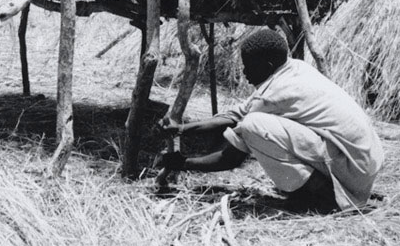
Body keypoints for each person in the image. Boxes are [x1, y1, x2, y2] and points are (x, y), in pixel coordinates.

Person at [157, 28, 384, 212]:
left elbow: (231, 158)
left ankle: (326, 198)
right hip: (366, 160)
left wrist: (182, 163)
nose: (244, 72)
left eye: (248, 66)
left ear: (266, 67)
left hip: (353, 168)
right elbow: (236, 114)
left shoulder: (273, 95)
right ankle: (321, 188)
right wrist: (182, 128)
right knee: (252, 120)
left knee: (253, 126)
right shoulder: (295, 69)